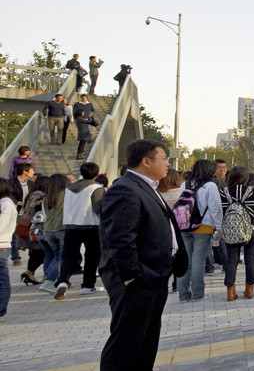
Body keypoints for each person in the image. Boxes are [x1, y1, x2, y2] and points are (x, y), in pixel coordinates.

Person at [97, 139, 187, 371]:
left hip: (154, 276)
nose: (167, 164)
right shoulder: (124, 189)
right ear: (146, 162)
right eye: (163, 159)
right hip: (137, 281)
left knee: (145, 343)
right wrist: (132, 276)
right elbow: (120, 239)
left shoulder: (148, 187)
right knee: (125, 345)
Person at [55, 161, 106, 299]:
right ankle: (88, 285)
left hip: (71, 225)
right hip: (91, 226)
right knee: (91, 256)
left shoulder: (69, 188)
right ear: (97, 173)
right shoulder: (96, 188)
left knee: (68, 255)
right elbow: (97, 208)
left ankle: (62, 282)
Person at [174, 159, 223, 302]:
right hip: (204, 227)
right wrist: (219, 227)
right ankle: (197, 294)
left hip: (184, 227)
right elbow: (215, 208)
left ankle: (183, 294)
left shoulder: (185, 184)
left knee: (186, 260)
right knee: (198, 261)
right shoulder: (210, 186)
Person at [221, 166, 254, 301]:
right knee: (250, 258)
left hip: (231, 230)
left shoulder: (224, 192)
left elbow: (222, 212)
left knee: (232, 260)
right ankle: (249, 290)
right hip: (253, 228)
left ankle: (230, 292)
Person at [38, 174, 71, 292]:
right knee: (62, 258)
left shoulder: (47, 198)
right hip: (62, 229)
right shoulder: (66, 195)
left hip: (49, 230)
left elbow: (44, 215)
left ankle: (55, 280)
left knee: (57, 257)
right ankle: (49, 282)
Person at [0, 180, 15, 317]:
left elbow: (1, 226)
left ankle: (1, 309)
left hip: (2, 245)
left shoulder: (6, 204)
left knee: (2, 279)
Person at [73, 92, 96, 159]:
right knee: (83, 137)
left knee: (84, 137)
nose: (84, 99)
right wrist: (79, 114)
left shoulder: (89, 104)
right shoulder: (77, 104)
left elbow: (93, 110)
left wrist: (91, 114)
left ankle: (80, 153)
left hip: (87, 119)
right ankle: (79, 154)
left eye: (85, 98)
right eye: (83, 97)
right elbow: (74, 112)